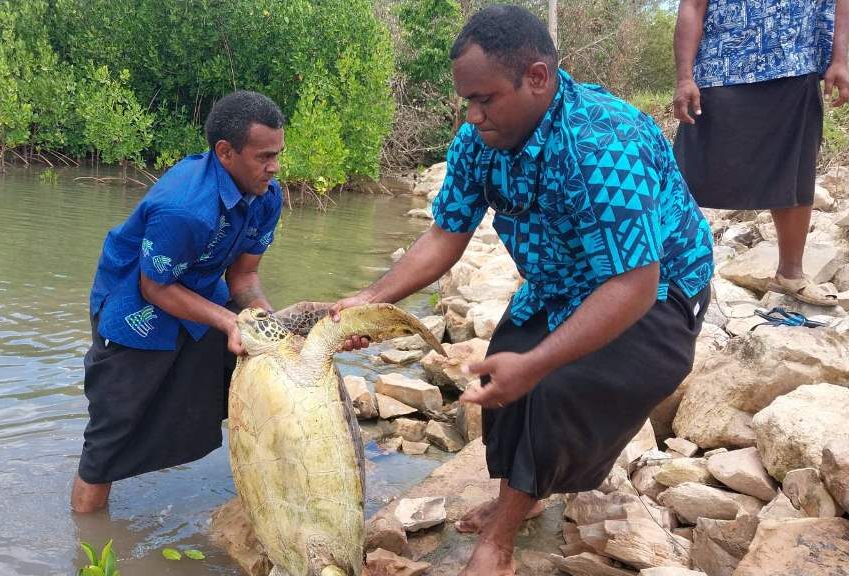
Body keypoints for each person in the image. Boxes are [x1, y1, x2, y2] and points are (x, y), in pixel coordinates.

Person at [329, 5, 715, 575]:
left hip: (662, 294)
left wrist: (537, 364)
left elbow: (635, 284)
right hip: (563, 284)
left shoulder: (604, 141)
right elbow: (444, 236)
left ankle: (500, 543)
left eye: (485, 99)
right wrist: (371, 300)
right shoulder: (478, 142)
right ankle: (520, 496)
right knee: (502, 370)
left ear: (537, 77)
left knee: (557, 386)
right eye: (466, 100)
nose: (472, 115)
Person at [71, 90, 286, 513]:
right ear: (225, 152)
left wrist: (266, 322)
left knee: (266, 377)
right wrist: (229, 322)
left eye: (278, 154)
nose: (274, 167)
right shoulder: (185, 208)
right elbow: (155, 288)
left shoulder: (267, 197)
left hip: (201, 294)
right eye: (264, 157)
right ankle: (87, 539)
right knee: (107, 444)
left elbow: (243, 276)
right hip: (136, 311)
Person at [673, 0, 848, 306]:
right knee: (687, 173)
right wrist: (685, 78)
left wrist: (841, 59)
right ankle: (667, 269)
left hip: (795, 60)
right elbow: (693, 5)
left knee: (794, 168)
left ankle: (791, 273)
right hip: (722, 66)